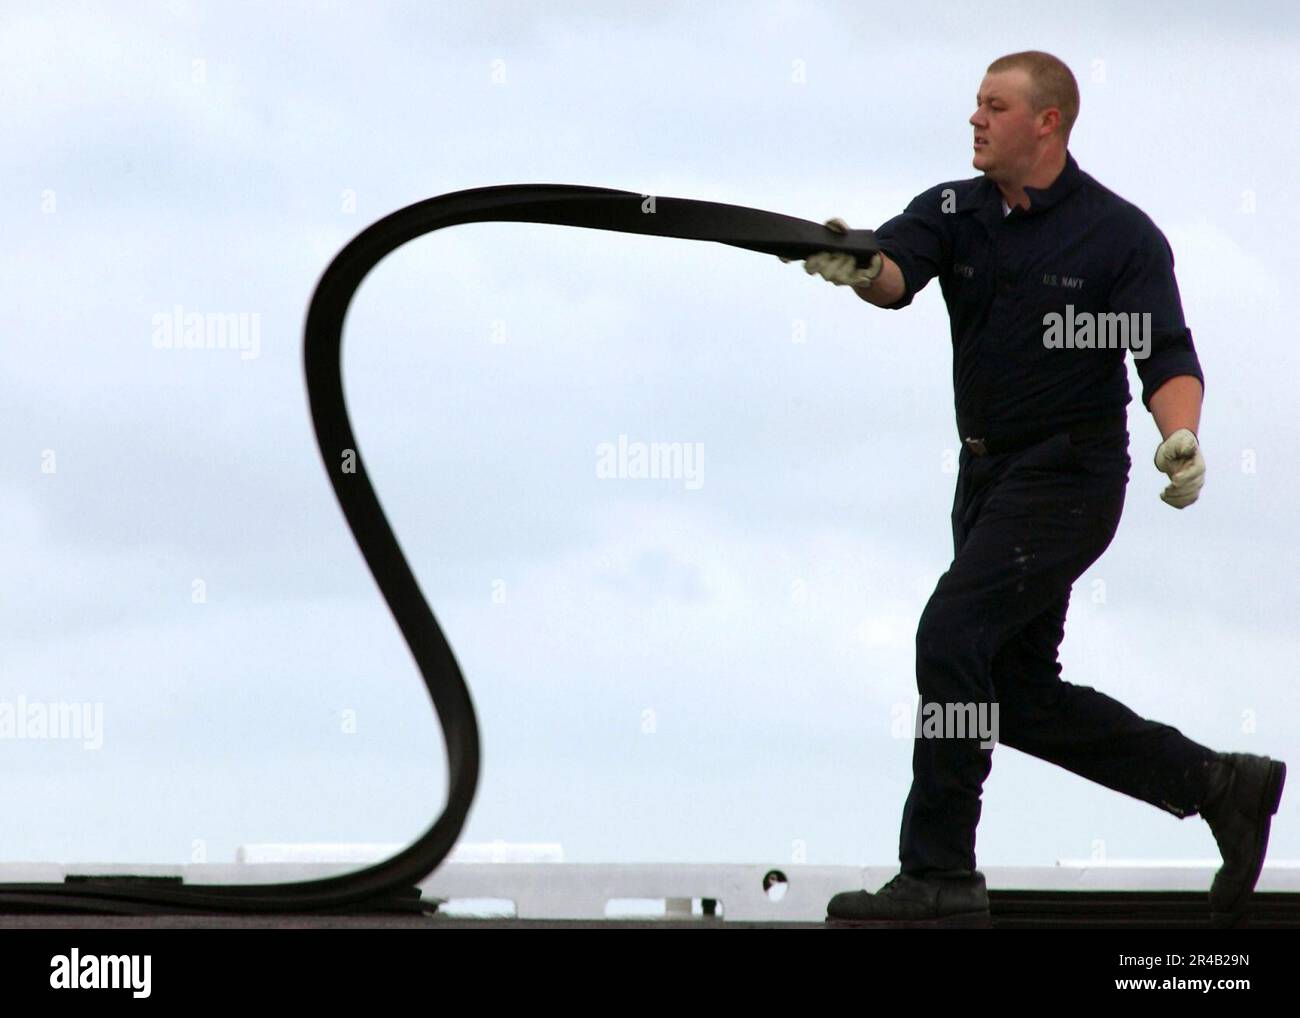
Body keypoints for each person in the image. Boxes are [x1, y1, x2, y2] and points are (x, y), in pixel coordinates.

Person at [785, 50, 1286, 929]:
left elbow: (1162, 352)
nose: (975, 119)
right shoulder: (954, 210)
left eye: (995, 105)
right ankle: (1218, 784)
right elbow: (897, 273)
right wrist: (859, 266)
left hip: (1069, 476)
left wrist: (1182, 436)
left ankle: (937, 871)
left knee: (952, 632)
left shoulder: (1116, 237)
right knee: (1009, 692)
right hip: (986, 477)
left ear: (1047, 122)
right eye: (975, 104)